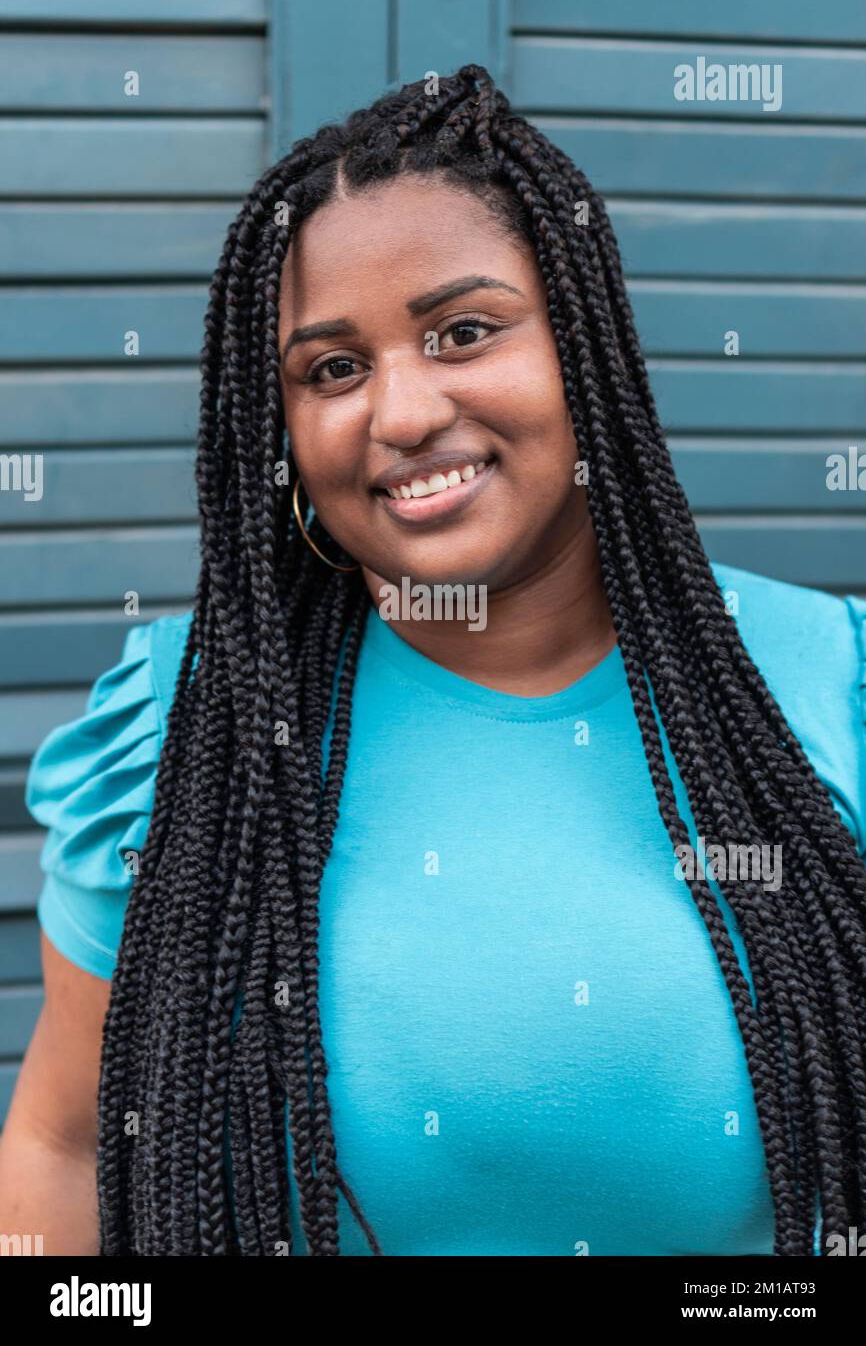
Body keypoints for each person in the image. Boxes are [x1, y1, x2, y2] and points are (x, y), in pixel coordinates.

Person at [1, 65, 864, 1258]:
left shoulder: (824, 681)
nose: (399, 413)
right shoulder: (184, 728)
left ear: (585, 351)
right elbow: (68, 1148)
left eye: (463, 331)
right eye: (331, 368)